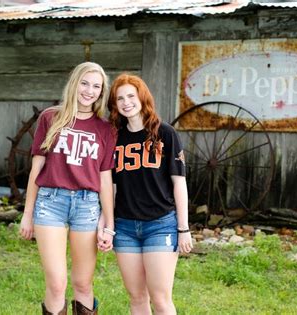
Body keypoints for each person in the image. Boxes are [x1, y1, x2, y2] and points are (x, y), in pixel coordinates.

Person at [19, 62, 116, 315]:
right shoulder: (50, 117)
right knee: (57, 282)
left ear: (102, 92)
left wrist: (108, 223)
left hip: (86, 205)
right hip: (50, 201)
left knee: (83, 282)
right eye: (85, 83)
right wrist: (27, 214)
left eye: (96, 86)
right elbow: (36, 169)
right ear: (75, 83)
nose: (89, 91)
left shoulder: (105, 129)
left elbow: (105, 179)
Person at [108, 73, 193, 315]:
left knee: (160, 298)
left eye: (131, 96)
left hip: (160, 224)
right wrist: (108, 224)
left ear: (142, 97)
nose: (126, 102)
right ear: (115, 104)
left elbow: (179, 183)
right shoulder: (115, 137)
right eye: (120, 98)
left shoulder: (165, 133)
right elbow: (111, 186)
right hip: (125, 227)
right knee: (137, 297)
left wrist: (183, 228)